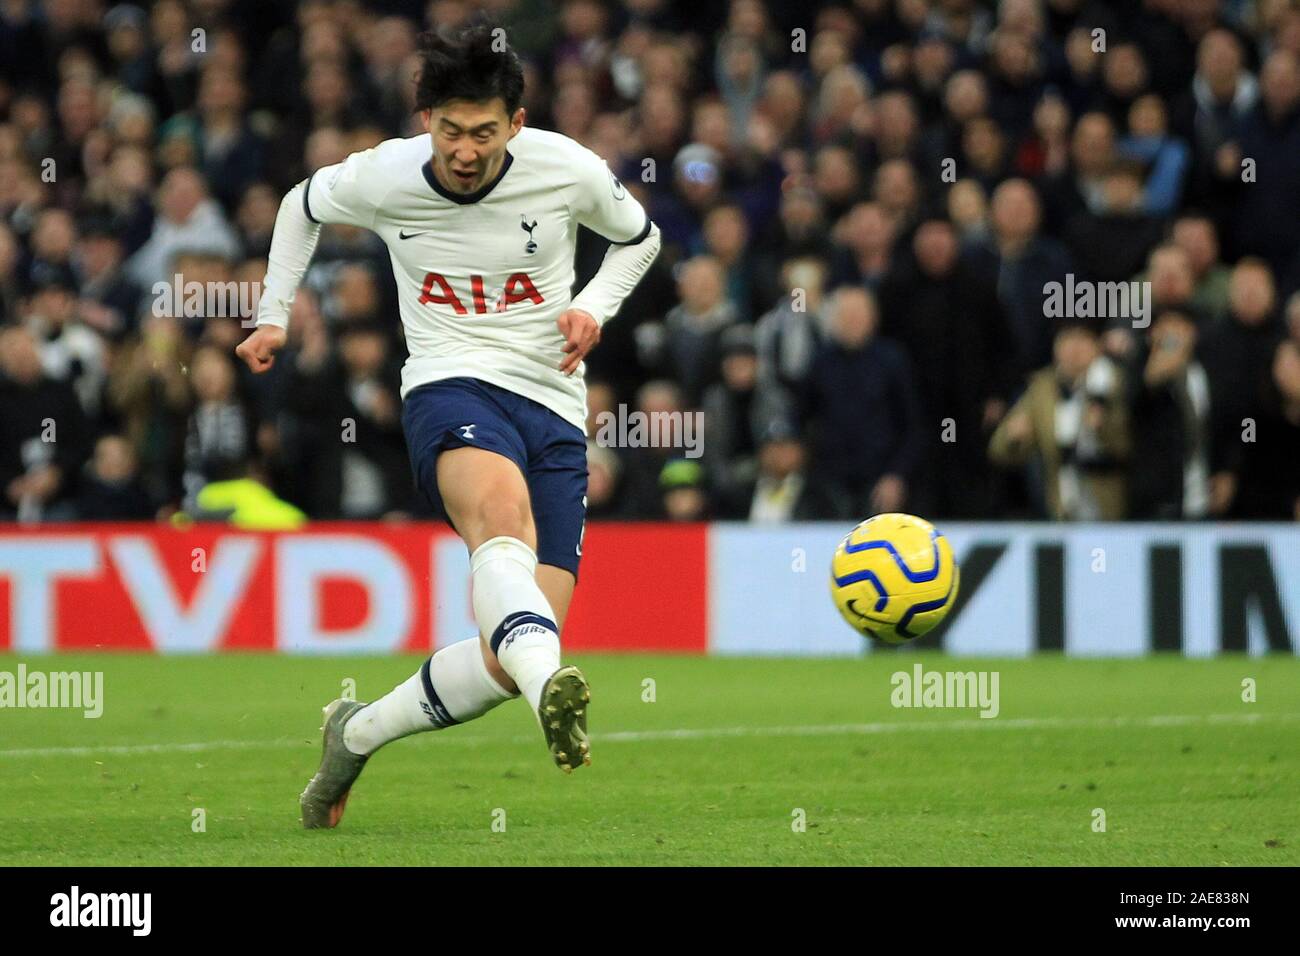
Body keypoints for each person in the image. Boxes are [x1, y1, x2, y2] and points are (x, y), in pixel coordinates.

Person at [235, 23, 660, 829]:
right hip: (449, 383)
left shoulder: (566, 169)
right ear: (426, 119)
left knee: (509, 649)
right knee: (501, 526)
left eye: (485, 133)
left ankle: (354, 734)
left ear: (517, 126)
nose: (465, 150)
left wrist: (591, 308)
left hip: (556, 407)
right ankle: (551, 692)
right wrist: (273, 317)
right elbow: (302, 206)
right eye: (451, 130)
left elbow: (641, 239)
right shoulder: (387, 174)